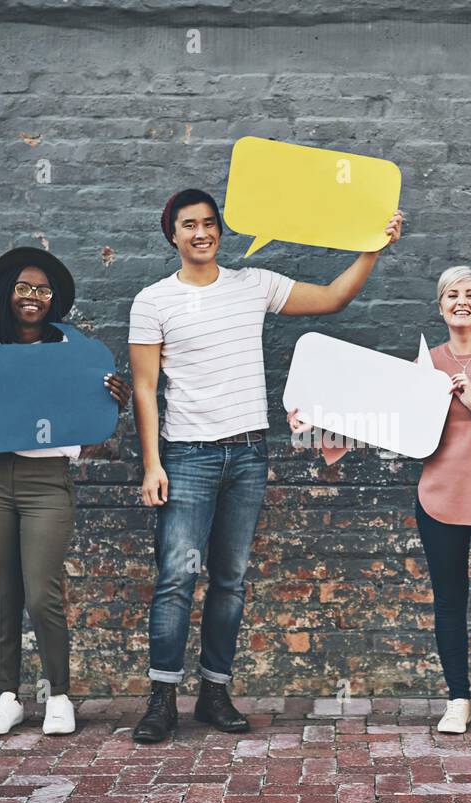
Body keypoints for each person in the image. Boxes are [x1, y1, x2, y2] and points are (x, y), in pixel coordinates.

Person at [127, 188, 403, 743]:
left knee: (230, 579)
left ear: (220, 232)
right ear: (172, 234)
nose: (201, 232)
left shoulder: (253, 284)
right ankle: (161, 699)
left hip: (249, 453)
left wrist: (375, 248)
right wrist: (152, 464)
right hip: (187, 455)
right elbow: (144, 388)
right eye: (189, 225)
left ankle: (214, 691)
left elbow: (330, 299)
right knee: (178, 576)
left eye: (209, 223)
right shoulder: (153, 301)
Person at [289, 265, 471, 739]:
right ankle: (458, 700)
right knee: (449, 602)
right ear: (441, 305)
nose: (462, 301)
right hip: (439, 503)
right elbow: (379, 421)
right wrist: (318, 425)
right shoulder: (425, 366)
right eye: (452, 294)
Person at [0, 248, 130, 736]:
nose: (33, 297)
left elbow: (93, 433)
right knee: (3, 591)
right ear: (7, 296)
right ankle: (6, 696)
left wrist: (109, 407)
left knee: (42, 593)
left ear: (53, 299)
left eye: (42, 289)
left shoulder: (76, 356)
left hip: (47, 483)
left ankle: (58, 694)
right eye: (23, 287)